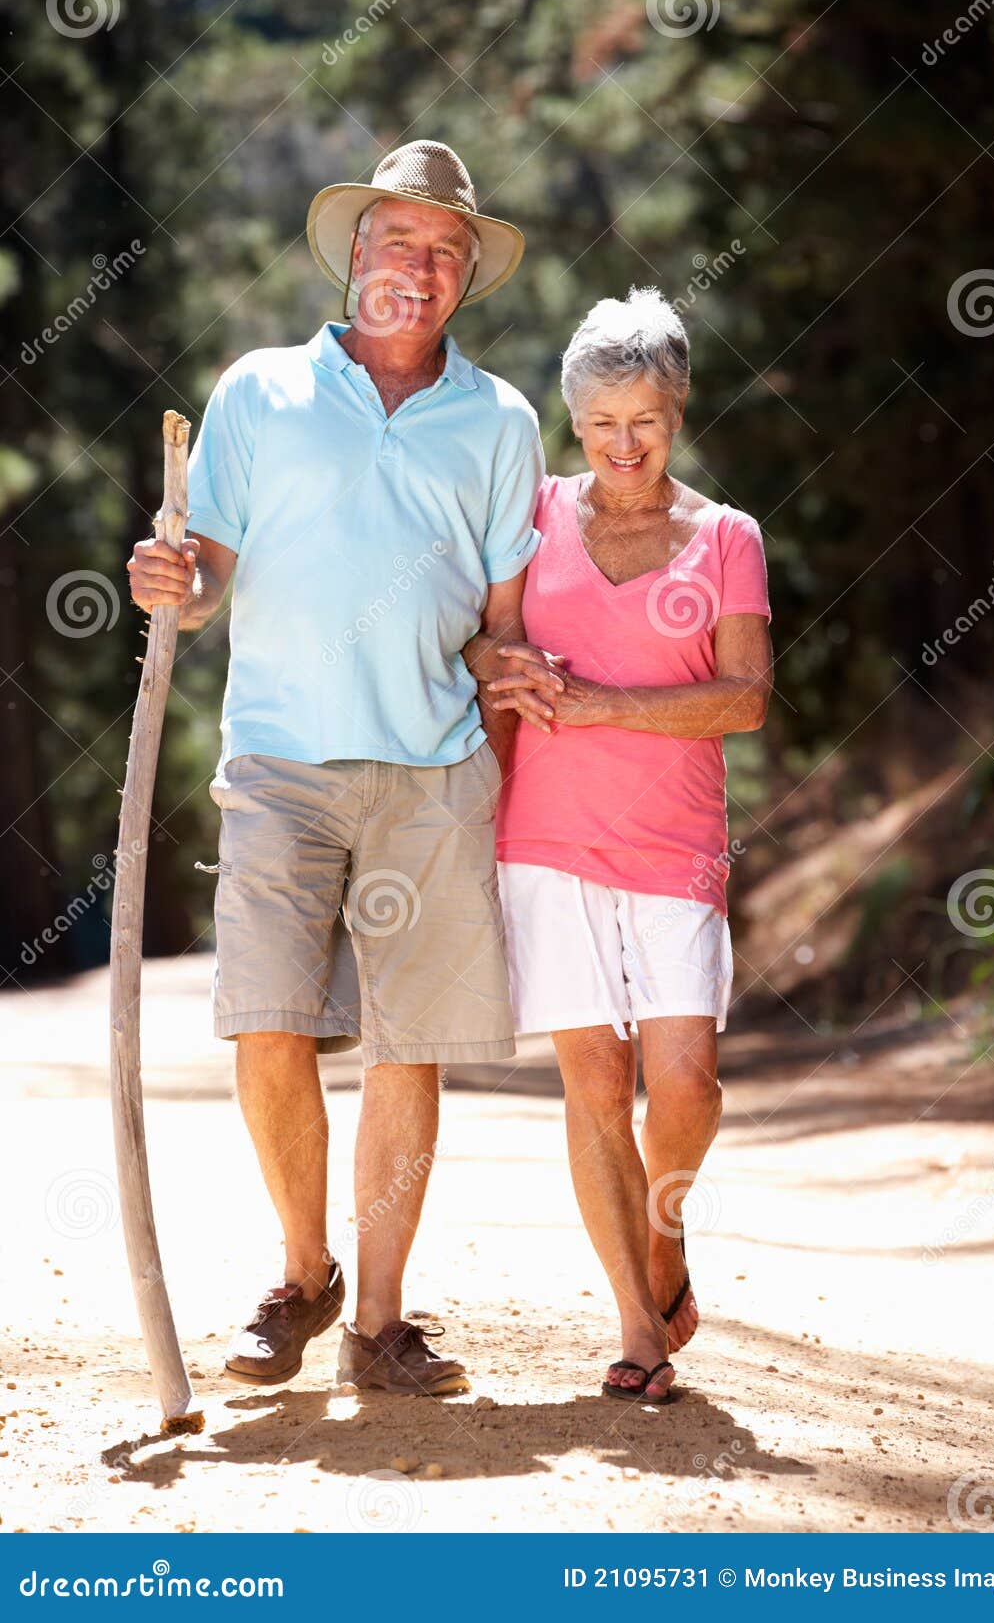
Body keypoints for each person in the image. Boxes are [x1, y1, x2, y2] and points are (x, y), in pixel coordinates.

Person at [126, 140, 553, 1396]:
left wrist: (512, 683)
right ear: (353, 249)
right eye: (397, 240)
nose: (414, 267)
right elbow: (205, 574)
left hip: (432, 768)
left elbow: (503, 622)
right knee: (266, 1024)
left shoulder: (500, 419)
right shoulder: (257, 392)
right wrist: (172, 581)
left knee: (407, 1043)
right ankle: (300, 1275)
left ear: (464, 276)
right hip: (278, 761)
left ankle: (379, 1319)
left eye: (442, 251)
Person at [476, 287, 773, 1403]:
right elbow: (484, 650)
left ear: (676, 408)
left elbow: (743, 699)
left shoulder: (725, 536)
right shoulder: (534, 518)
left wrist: (598, 703)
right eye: (599, 421)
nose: (620, 443)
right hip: (542, 839)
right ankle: (635, 1325)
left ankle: (664, 1233)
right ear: (573, 423)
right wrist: (494, 671)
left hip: (674, 845)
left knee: (683, 1081)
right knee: (593, 1084)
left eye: (641, 418)